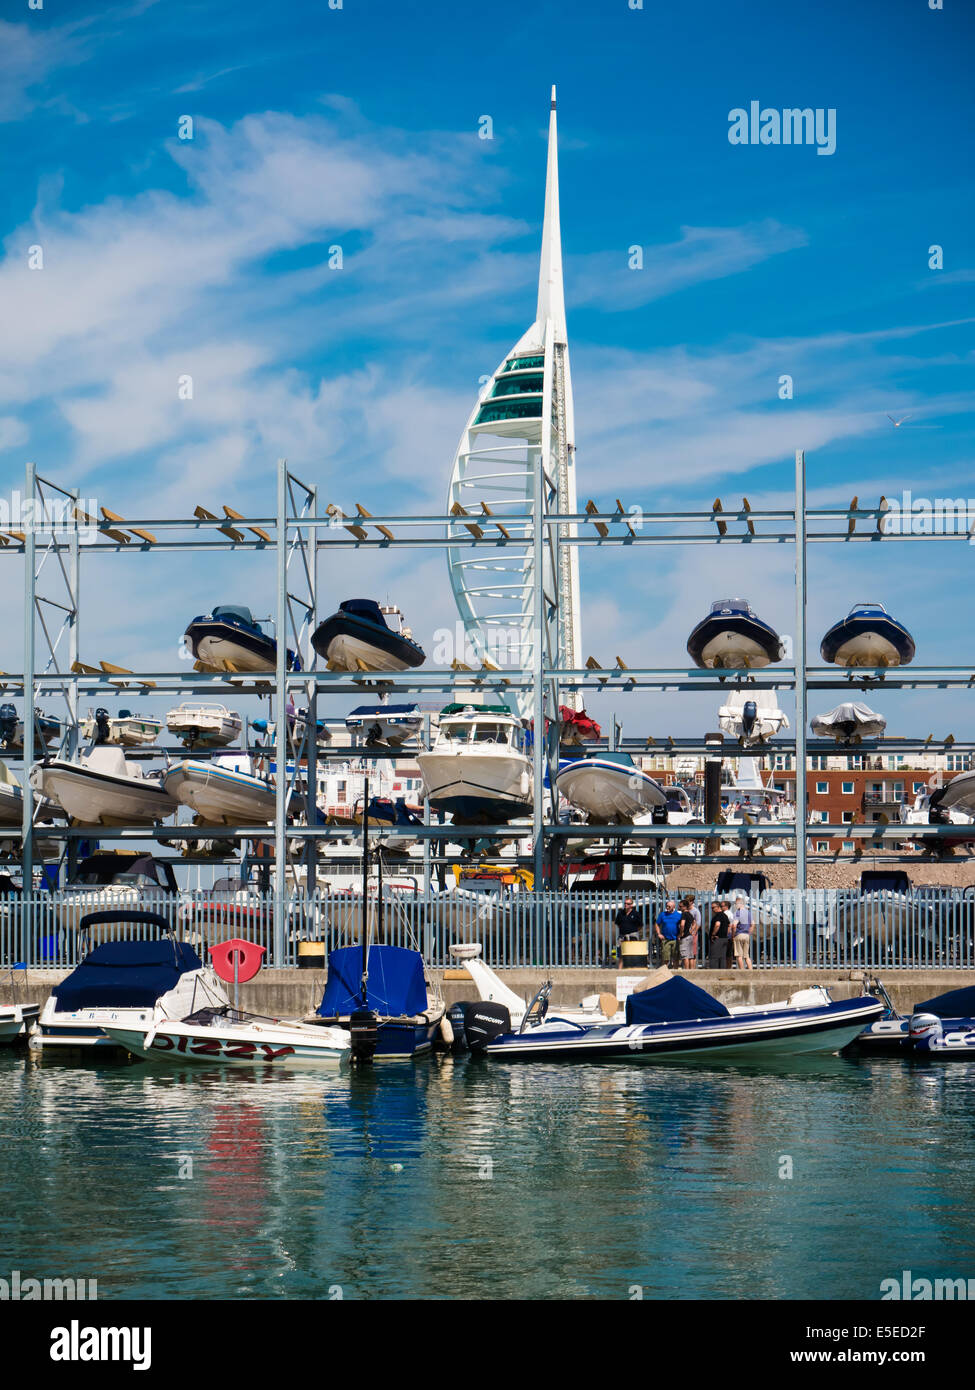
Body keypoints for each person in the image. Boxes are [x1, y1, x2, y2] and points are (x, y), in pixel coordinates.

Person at [614, 896, 643, 969]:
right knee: (620, 953)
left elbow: (640, 926)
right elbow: (618, 924)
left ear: (631, 905)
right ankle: (620, 969)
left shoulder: (636, 914)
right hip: (622, 936)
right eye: (625, 903)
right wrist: (624, 930)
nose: (626, 905)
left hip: (632, 935)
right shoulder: (620, 913)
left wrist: (632, 931)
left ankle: (631, 968)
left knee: (632, 953)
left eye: (628, 904)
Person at [654, 898, 682, 968]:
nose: (667, 907)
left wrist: (680, 934)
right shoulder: (663, 914)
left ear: (674, 907)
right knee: (665, 958)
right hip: (665, 939)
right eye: (667, 906)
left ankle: (675, 973)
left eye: (669, 906)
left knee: (676, 958)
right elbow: (657, 924)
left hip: (675, 939)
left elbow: (683, 925)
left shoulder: (678, 915)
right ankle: (664, 974)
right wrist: (659, 934)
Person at [731, 895, 754, 970]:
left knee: (739, 955)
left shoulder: (737, 913)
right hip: (746, 935)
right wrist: (749, 933)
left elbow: (734, 925)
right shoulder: (748, 912)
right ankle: (751, 971)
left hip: (739, 934)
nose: (735, 905)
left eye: (736, 904)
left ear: (739, 904)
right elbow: (752, 924)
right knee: (746, 955)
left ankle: (742, 971)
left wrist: (733, 935)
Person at [709, 899, 731, 970]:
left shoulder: (718, 916)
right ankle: (722, 972)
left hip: (717, 939)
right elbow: (729, 926)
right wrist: (725, 934)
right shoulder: (725, 915)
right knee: (722, 957)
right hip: (724, 939)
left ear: (718, 907)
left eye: (713, 907)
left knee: (714, 957)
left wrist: (713, 934)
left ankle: (714, 973)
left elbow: (717, 924)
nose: (712, 909)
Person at [677, 897, 698, 969]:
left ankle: (686, 971)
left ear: (685, 906)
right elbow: (694, 922)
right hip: (690, 936)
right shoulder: (689, 913)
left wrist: (681, 933)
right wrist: (692, 930)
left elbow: (682, 924)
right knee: (690, 956)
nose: (679, 908)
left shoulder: (684, 914)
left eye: (680, 906)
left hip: (685, 937)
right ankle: (691, 971)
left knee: (685, 955)